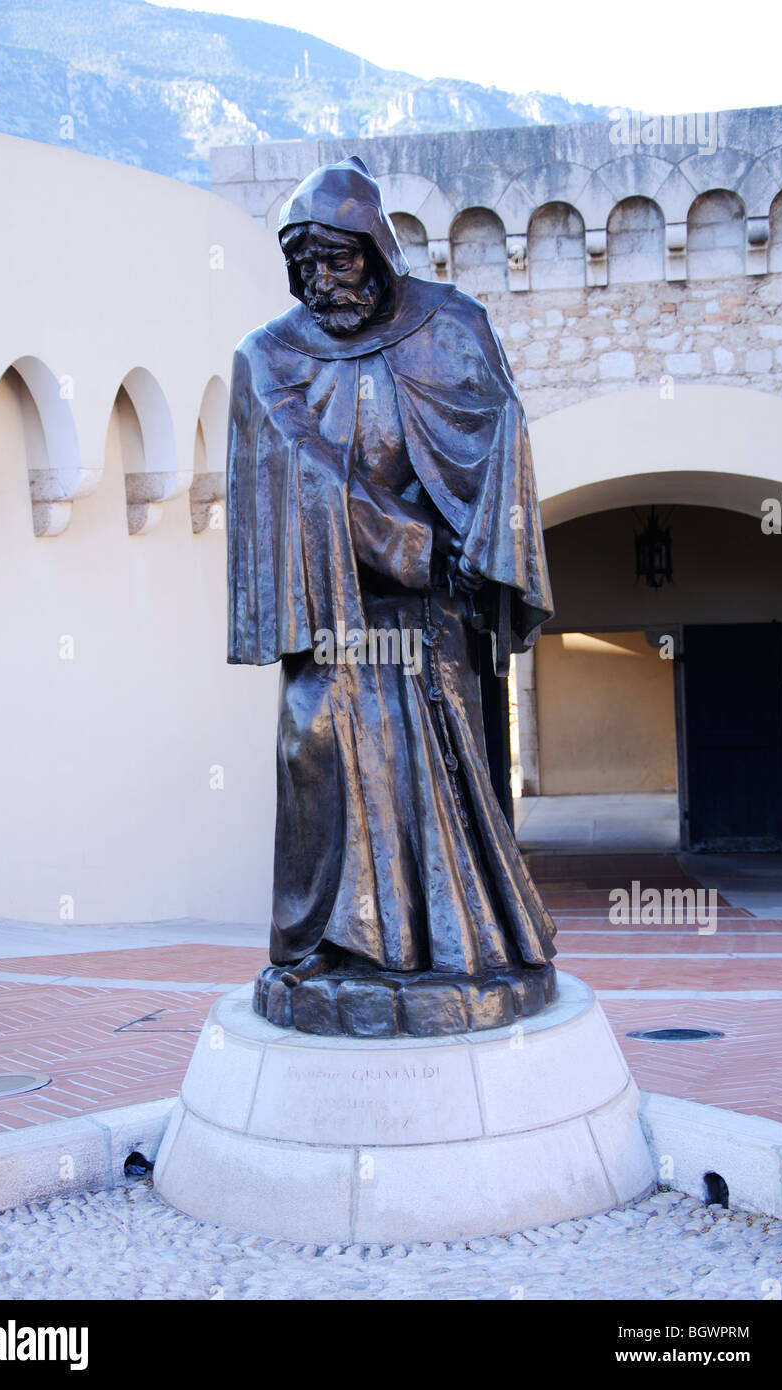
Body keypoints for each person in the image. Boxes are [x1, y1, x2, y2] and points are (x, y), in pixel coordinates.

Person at [227, 157, 557, 1035]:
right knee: (312, 740)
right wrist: (408, 542)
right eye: (304, 266)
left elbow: (501, 441)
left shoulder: (450, 325)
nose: (321, 282)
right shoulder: (268, 354)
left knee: (432, 759)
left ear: (376, 251)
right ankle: (320, 943)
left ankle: (453, 944)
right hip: (331, 601)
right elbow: (293, 463)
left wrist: (470, 547)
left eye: (337, 260)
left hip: (433, 607)